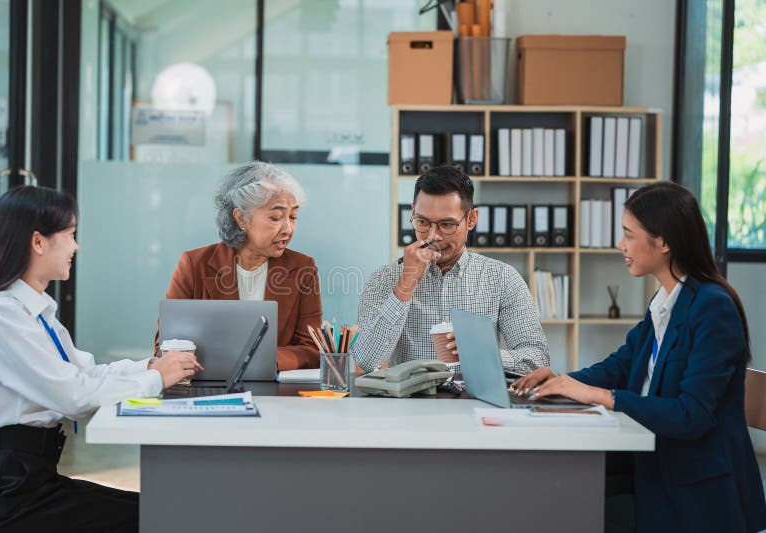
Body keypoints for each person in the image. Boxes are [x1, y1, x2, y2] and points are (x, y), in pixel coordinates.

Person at [513, 182, 766, 533]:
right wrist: (562, 381)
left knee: (558, 494)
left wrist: (604, 398)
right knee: (547, 476)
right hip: (654, 457)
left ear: (662, 242)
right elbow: (621, 366)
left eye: (629, 235)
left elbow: (692, 415)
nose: (621, 245)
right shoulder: (664, 302)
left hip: (695, 489)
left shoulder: (712, 308)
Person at [0, 186, 202, 532]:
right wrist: (156, 379)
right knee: (151, 517)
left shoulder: (36, 310)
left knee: (153, 511)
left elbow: (84, 371)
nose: (75, 247)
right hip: (6, 491)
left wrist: (149, 366)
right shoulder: (4, 313)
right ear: (38, 242)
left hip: (28, 477)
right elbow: (74, 396)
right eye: (71, 235)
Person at [352, 165, 549, 373]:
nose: (433, 235)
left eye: (447, 225)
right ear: (412, 213)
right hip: (410, 402)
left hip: (475, 401)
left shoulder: (502, 278)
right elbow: (365, 360)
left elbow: (537, 359)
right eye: (422, 222)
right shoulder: (384, 278)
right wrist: (404, 287)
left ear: (472, 219)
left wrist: (482, 353)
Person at [158, 161, 322, 371]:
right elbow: (164, 348)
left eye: (293, 217)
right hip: (207, 386)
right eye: (276, 217)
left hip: (276, 390)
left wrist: (259, 359)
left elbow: (313, 348)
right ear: (241, 218)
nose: (288, 229)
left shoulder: (303, 268)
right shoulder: (193, 264)